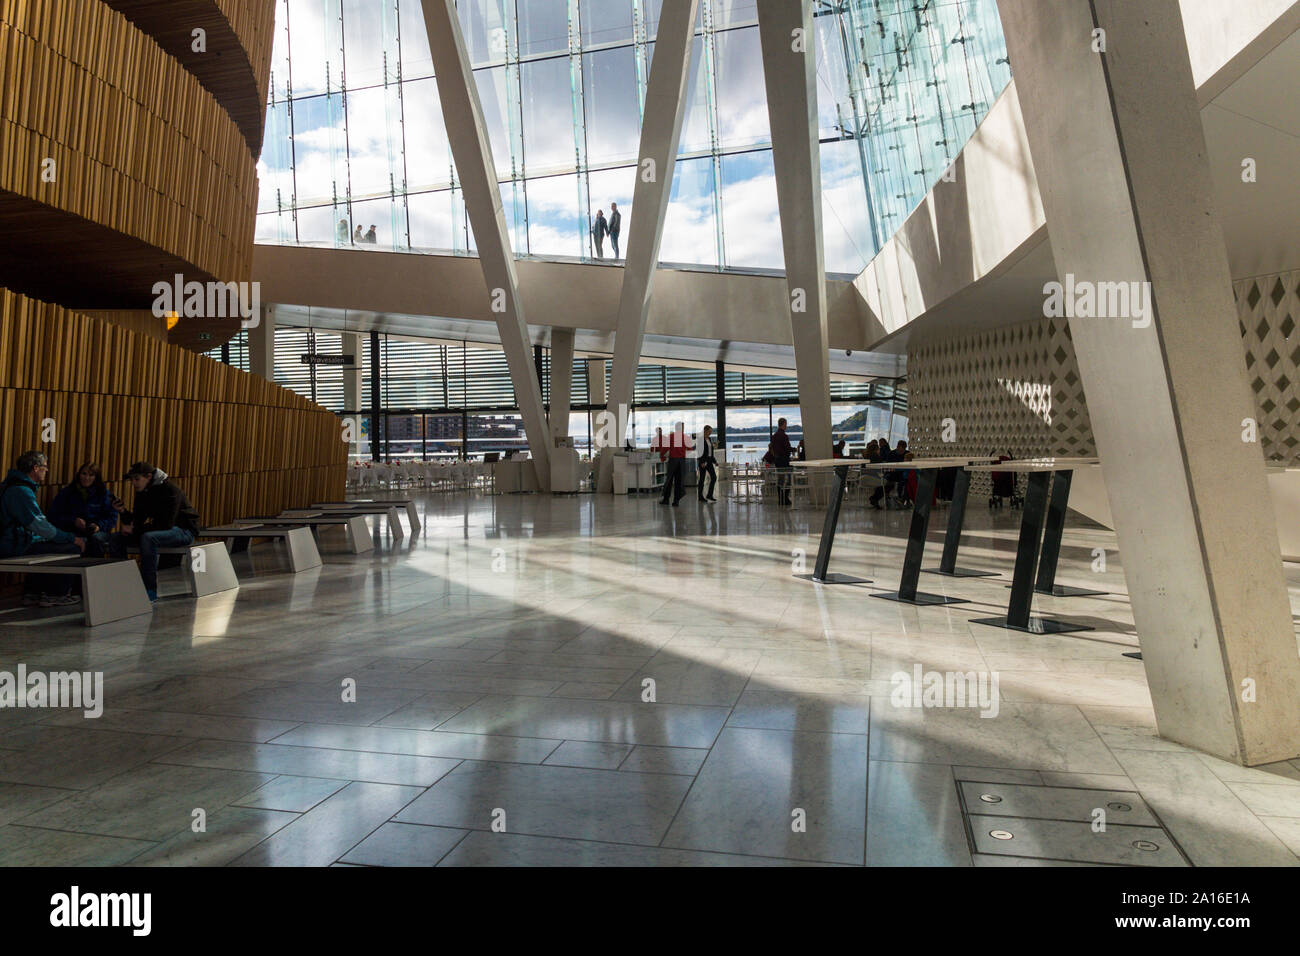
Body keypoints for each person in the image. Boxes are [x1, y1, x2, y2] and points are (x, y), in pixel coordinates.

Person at [105, 462, 201, 602]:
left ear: (149, 477)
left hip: (184, 530)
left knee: (148, 538)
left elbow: (166, 524)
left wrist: (135, 529)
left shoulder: (171, 490)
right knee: (116, 538)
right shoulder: (142, 492)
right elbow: (137, 520)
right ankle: (123, 585)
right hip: (160, 529)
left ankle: (149, 590)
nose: (133, 483)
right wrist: (123, 511)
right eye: (132, 480)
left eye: (137, 479)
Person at [0, 451, 85, 606]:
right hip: (11, 545)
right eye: (45, 467)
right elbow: (39, 526)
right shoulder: (21, 491)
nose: (47, 471)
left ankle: (33, 593)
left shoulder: (9, 485)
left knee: (40, 545)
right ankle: (56, 594)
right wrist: (70, 538)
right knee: (70, 548)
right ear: (35, 468)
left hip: (10, 541)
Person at [49, 463, 117, 547]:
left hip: (96, 533)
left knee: (96, 539)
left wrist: (98, 525)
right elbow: (53, 516)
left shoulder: (103, 494)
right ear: (79, 475)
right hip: (71, 531)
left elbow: (112, 518)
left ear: (96, 478)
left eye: (91, 475)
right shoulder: (67, 492)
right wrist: (73, 521)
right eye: (84, 474)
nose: (86, 478)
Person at [659, 423, 691, 506]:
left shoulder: (671, 436)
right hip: (681, 461)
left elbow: (665, 448)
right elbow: (690, 448)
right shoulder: (685, 437)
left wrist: (662, 455)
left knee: (669, 480)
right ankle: (676, 501)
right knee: (679, 482)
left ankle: (666, 499)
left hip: (673, 460)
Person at [769, 418, 793, 506]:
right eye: (786, 424)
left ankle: (780, 499)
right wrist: (793, 449)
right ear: (783, 424)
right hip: (785, 460)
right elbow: (787, 448)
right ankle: (785, 498)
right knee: (789, 479)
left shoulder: (774, 436)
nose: (786, 426)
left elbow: (771, 448)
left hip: (777, 460)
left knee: (780, 479)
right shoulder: (784, 436)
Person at [697, 424, 718, 502]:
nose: (710, 433)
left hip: (709, 461)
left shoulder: (709, 438)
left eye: (711, 432)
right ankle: (700, 496)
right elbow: (699, 452)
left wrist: (715, 461)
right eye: (709, 431)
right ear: (705, 431)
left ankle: (709, 495)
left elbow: (710, 452)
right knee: (702, 479)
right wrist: (701, 462)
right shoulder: (700, 439)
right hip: (703, 462)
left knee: (714, 477)